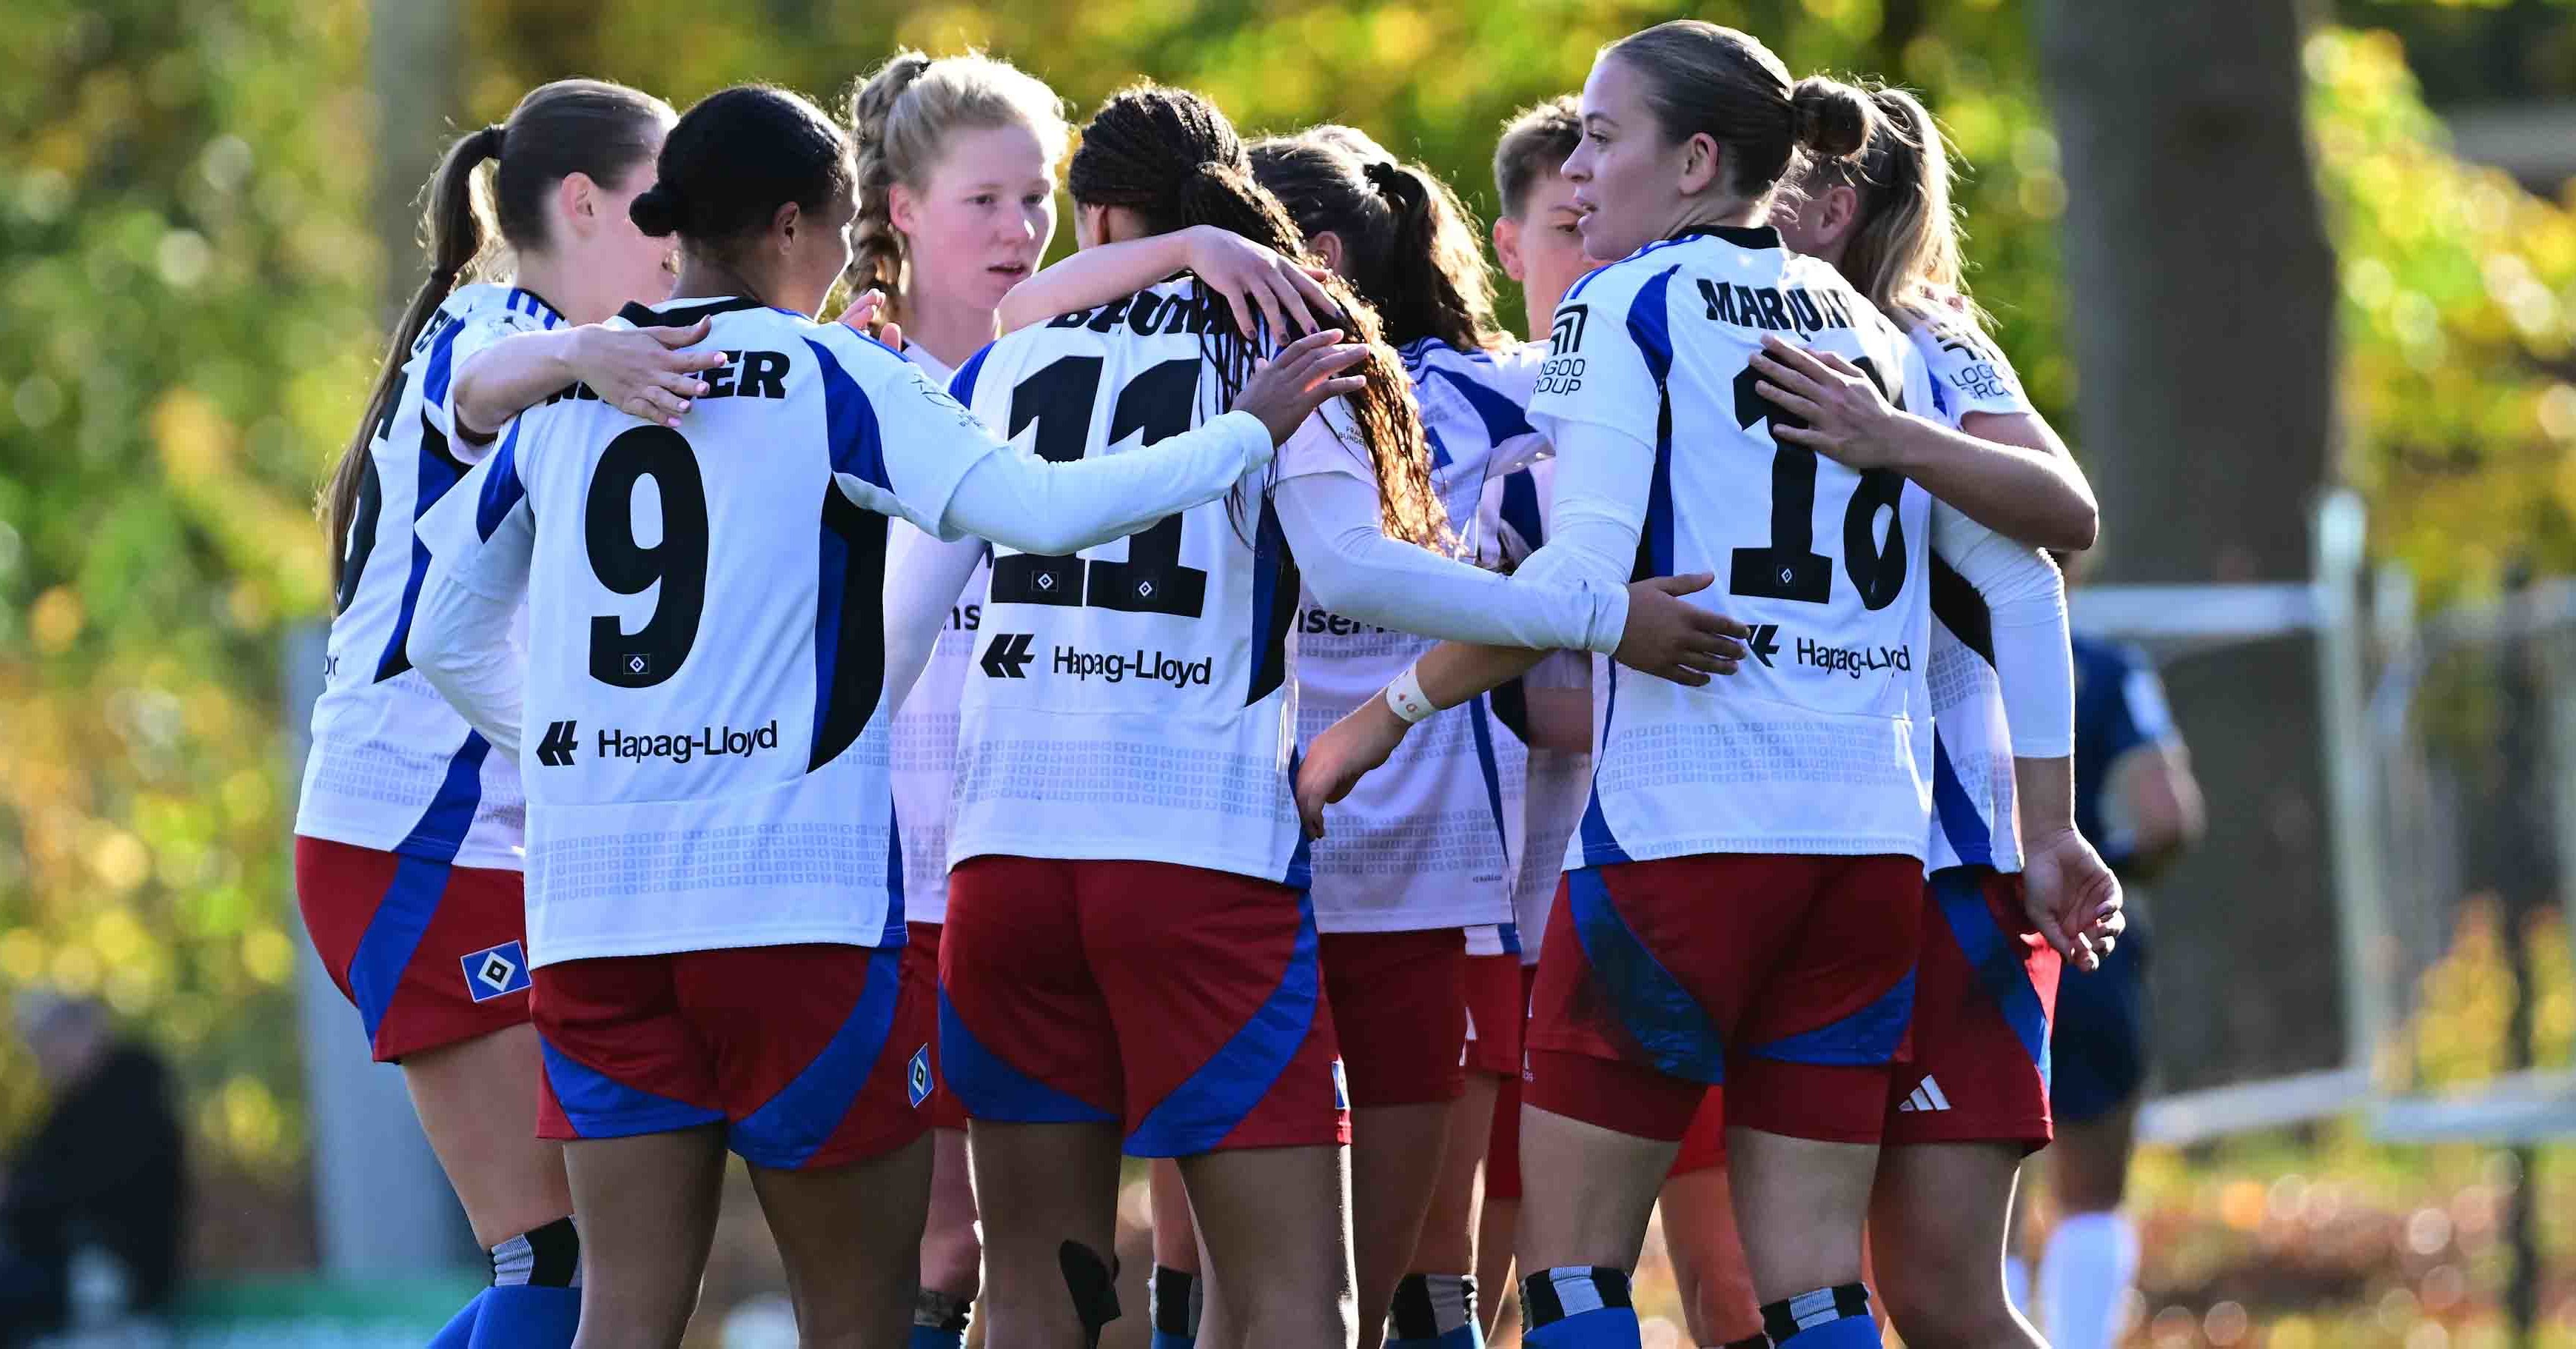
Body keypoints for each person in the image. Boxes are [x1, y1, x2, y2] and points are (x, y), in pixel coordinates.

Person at [406, 81, 1371, 1349]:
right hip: (789, 910)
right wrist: (1243, 434)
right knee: (856, 1321)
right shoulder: (836, 375)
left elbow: (445, 636)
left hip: (596, 914)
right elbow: (1039, 510)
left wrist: (578, 757)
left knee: (622, 1320)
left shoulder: (578, 385)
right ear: (796, 226)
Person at [1295, 22, 2119, 1349]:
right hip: (1864, 849)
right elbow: (2026, 584)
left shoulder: (1622, 304)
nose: (1576, 172)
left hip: (1682, 839)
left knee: (1573, 1273)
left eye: (1600, 138)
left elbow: (1577, 585)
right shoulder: (1875, 327)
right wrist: (2054, 823)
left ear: (1693, 161)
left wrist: (1384, 711)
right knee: (1818, 1287)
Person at [922, 83, 1741, 1349]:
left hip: (1003, 862)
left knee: (1037, 1294)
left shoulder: (1008, 357)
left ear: (1099, 220)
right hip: (1196, 856)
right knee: (1297, 1304)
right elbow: (1356, 571)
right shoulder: (1279, 347)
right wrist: (1587, 612)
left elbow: (898, 625)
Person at [293, 77, 722, 1349]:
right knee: (560, 1255)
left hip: (485, 848)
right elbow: (479, 383)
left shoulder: (594, 361)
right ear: (580, 204)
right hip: (412, 839)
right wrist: (582, 355)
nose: (681, 240)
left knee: (588, 1256)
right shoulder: (500, 323)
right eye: (661, 208)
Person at [1758, 81, 2104, 1349]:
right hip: (1782, 844)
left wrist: (1892, 436)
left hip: (1948, 861)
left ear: (1836, 204)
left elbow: (2062, 519)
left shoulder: (1926, 335)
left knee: (1944, 1298)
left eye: (1770, 176)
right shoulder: (1699, 314)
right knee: (1799, 1282)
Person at [840, 49, 1074, 1349]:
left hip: (1038, 857)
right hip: (886, 868)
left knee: (1045, 1243)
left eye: (1037, 198)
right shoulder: (844, 376)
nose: (1019, 230)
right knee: (934, 1236)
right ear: (902, 209)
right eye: (984, 200)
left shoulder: (1074, 377)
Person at [2039, 609, 2203, 1349]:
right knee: (2091, 1198)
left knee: (1975, 1214)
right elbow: (2167, 816)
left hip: (1966, 939)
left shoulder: (1933, 648)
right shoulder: (2106, 669)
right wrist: (2111, 869)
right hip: (2085, 945)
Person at [0, 995, 184, 1346]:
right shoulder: (69, 1110)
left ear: (82, 1034)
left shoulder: (134, 1102)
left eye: (49, 1042)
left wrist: (19, 1194)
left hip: (109, 1274)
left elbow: (104, 1189)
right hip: (60, 1266)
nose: (44, 1057)